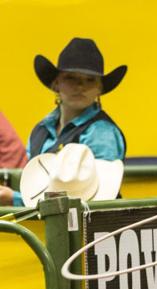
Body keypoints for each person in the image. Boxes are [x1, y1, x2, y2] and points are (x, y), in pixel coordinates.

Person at [2, 37, 127, 206]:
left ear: (100, 88)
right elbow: (33, 185)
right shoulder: (41, 129)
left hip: (89, 221)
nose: (80, 86)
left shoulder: (102, 133)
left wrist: (15, 199)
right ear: (56, 84)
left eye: (90, 79)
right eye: (70, 78)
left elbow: (95, 197)